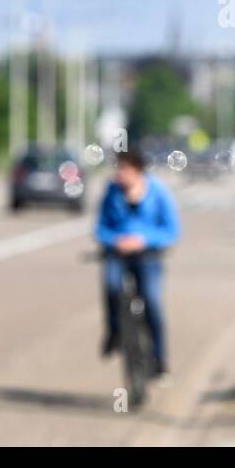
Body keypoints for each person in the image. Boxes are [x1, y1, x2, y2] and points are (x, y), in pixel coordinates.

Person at [96, 148, 180, 376]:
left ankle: (159, 358)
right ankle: (114, 332)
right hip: (118, 254)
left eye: (123, 170)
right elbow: (100, 228)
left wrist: (144, 240)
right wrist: (116, 240)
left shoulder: (158, 192)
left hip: (148, 256)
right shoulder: (112, 192)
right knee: (111, 286)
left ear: (136, 170)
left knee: (152, 301)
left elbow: (172, 231)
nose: (118, 175)